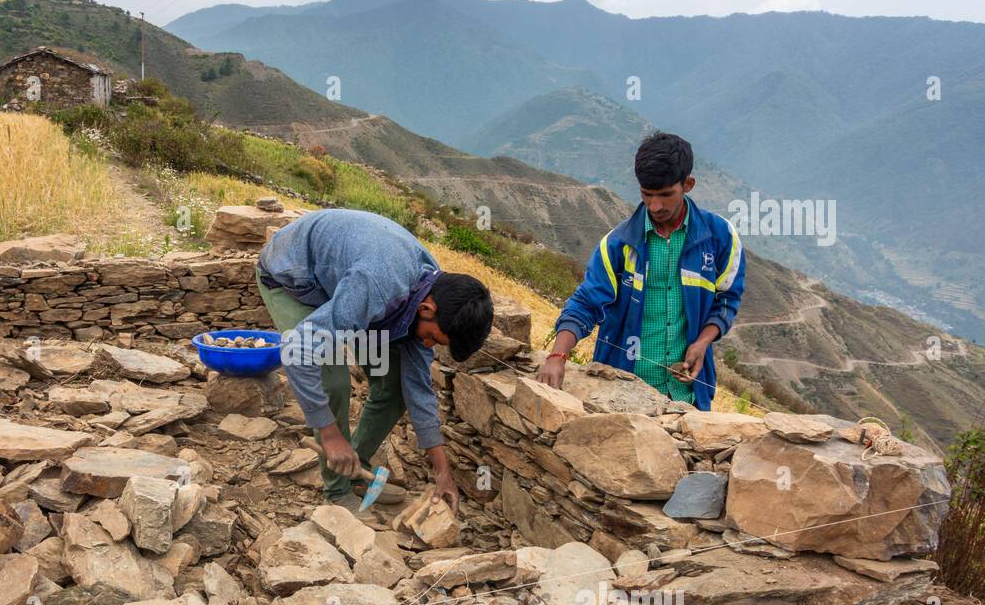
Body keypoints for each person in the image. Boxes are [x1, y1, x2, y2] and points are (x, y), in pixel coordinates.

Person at [256, 208, 493, 512]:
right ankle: (337, 492)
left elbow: (419, 391)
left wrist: (442, 473)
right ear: (427, 309)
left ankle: (355, 469)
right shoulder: (378, 285)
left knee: (393, 386)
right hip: (291, 279)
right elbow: (297, 351)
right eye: (433, 338)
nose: (428, 344)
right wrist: (330, 436)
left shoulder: (431, 293)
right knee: (333, 379)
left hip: (345, 289)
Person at [538, 132, 744, 408]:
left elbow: (727, 299)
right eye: (647, 195)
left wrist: (703, 342)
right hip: (622, 392)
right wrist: (557, 355)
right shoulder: (618, 244)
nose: (655, 206)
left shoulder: (720, 237)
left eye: (665, 195)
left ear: (688, 184)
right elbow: (586, 303)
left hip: (688, 395)